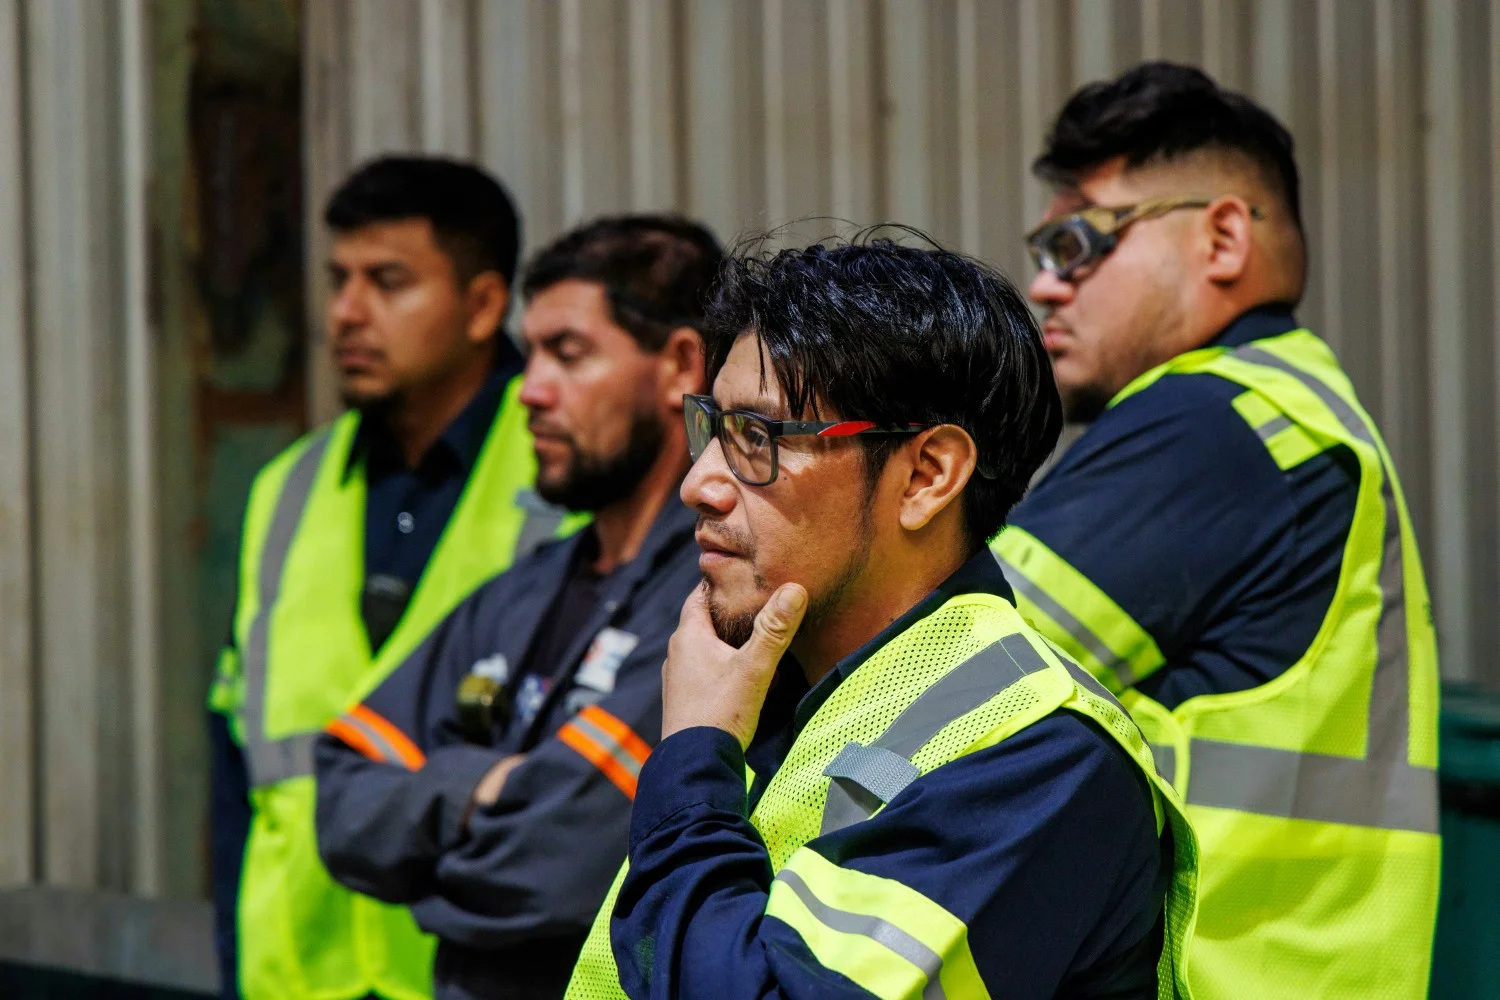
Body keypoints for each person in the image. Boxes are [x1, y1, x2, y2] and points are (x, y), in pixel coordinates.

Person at [565, 232, 1199, 1000]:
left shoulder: (1037, 756)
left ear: (927, 476)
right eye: (712, 428)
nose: (699, 484)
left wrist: (695, 766)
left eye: (759, 437)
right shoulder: (776, 693)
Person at [993, 62, 1441, 999]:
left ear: (1224, 237)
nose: (1044, 284)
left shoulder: (1215, 426)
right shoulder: (1298, 413)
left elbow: (943, 671)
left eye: (1078, 240)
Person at [314, 215, 723, 1000]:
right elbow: (341, 801)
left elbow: (560, 868)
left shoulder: (710, 595)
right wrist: (484, 784)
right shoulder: (523, 590)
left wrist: (434, 838)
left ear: (678, 364)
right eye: (530, 353)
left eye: (568, 355)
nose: (529, 391)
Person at [207, 156, 569, 1000]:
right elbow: (237, 769)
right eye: (338, 281)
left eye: (388, 282)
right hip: (293, 975)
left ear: (483, 306)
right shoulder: (287, 488)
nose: (346, 313)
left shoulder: (569, 479)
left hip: (478, 974)